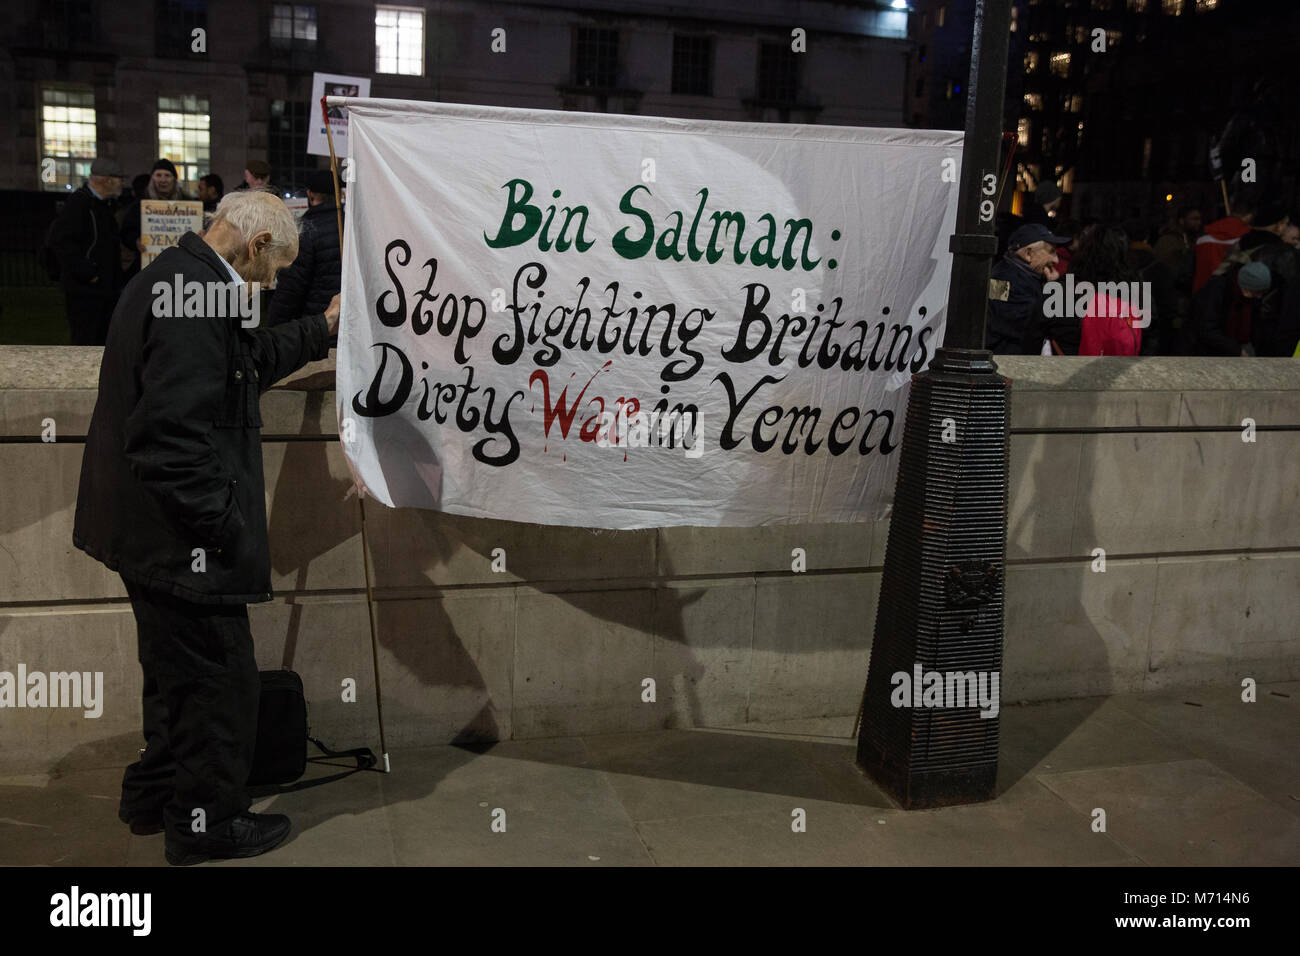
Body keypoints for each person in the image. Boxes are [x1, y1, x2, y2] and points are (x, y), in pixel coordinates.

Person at [72, 191, 341, 866]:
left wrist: (322, 328)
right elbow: (170, 439)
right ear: (254, 247)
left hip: (146, 531)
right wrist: (227, 531)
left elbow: (241, 367)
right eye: (277, 266)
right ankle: (204, 824)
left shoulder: (177, 279)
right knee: (219, 683)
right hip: (180, 540)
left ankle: (151, 797)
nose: (276, 282)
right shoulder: (194, 299)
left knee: (175, 679)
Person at [49, 157, 124, 345]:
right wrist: (88, 273)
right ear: (108, 180)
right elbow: (62, 242)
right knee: (86, 340)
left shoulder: (103, 205)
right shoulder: (80, 203)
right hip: (85, 292)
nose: (122, 184)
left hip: (103, 290)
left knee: (101, 340)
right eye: (119, 179)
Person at [267, 169, 342, 332]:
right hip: (350, 329)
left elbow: (291, 288)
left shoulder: (305, 229)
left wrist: (274, 330)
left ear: (310, 194)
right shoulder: (353, 224)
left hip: (317, 328)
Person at [986, 223, 1066, 354]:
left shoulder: (1032, 276)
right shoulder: (1001, 278)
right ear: (1029, 253)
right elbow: (1028, 323)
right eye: (1051, 252)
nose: (1056, 260)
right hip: (1006, 364)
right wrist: (1052, 288)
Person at [120, 159, 192, 281]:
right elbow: (126, 232)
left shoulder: (189, 204)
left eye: (167, 175)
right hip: (148, 267)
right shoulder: (140, 205)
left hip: (180, 269)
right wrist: (136, 241)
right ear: (152, 178)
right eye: (158, 175)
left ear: (174, 179)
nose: (163, 180)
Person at [1190, 260, 1270, 356]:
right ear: (1244, 287)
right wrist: (1235, 350)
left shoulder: (1252, 297)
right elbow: (1206, 329)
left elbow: (1257, 327)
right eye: (1255, 292)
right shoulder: (1217, 291)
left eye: (1262, 292)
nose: (1259, 297)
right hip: (1210, 352)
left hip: (1237, 347)